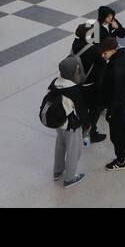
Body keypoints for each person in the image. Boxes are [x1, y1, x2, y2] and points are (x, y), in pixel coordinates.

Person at [47, 55, 88, 188]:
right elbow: (81, 112)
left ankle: (57, 171)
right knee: (74, 150)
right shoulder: (74, 89)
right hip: (71, 125)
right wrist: (87, 124)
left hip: (58, 122)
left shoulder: (54, 82)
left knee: (60, 145)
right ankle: (70, 178)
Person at [100, 37, 125, 171]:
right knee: (123, 122)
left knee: (116, 133)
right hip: (124, 98)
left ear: (113, 50)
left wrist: (110, 112)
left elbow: (114, 91)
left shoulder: (113, 67)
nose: (103, 56)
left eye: (105, 53)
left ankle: (120, 161)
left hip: (116, 102)